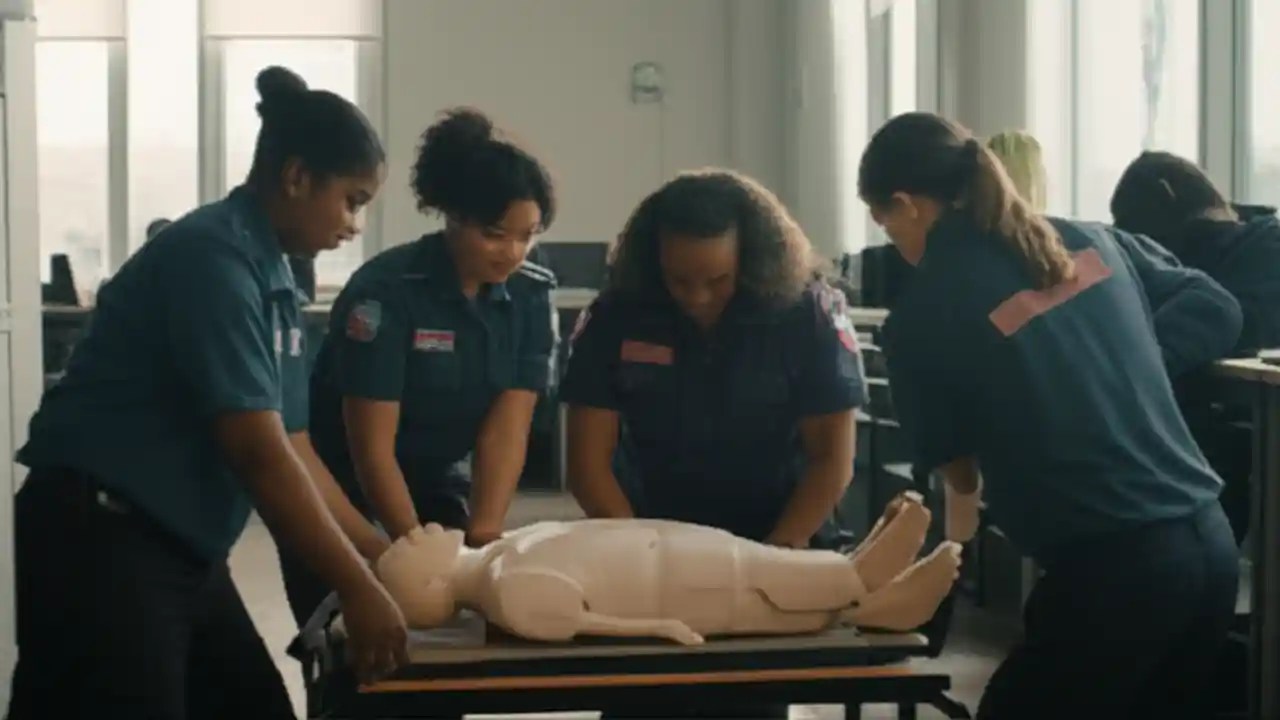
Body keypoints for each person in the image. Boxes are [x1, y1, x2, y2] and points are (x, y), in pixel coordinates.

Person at [6, 66, 409, 720]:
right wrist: (355, 588)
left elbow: (296, 444)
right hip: (102, 538)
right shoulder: (211, 259)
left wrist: (383, 558)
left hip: (181, 545)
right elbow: (258, 455)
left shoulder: (274, 275)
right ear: (297, 177)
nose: (355, 224)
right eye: (352, 200)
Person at [856, 111, 1242, 719]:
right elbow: (1218, 306)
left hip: (1113, 575)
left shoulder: (921, 318)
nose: (892, 242)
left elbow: (961, 481)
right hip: (1211, 547)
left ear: (905, 205)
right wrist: (1123, 373)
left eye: (883, 221)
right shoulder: (1092, 239)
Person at [281, 107, 559, 630]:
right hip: (340, 488)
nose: (513, 253)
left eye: (529, 236)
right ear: (454, 217)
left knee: (451, 643)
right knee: (354, 642)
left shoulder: (531, 295)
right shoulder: (386, 293)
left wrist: (483, 535)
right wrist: (411, 551)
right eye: (497, 234)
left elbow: (507, 427)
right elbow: (371, 448)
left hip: (433, 483)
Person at [561, 168, 866, 550]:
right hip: (651, 532)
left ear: (752, 263)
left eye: (718, 280)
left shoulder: (808, 315)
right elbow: (589, 465)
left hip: (789, 532)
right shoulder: (616, 314)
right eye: (679, 280)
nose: (698, 297)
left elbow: (831, 458)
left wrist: (782, 548)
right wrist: (640, 550)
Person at [1110, 150, 1279, 546]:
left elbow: (1239, 324)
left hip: (1232, 430)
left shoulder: (1262, 249)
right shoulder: (1240, 248)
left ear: (1165, 199)